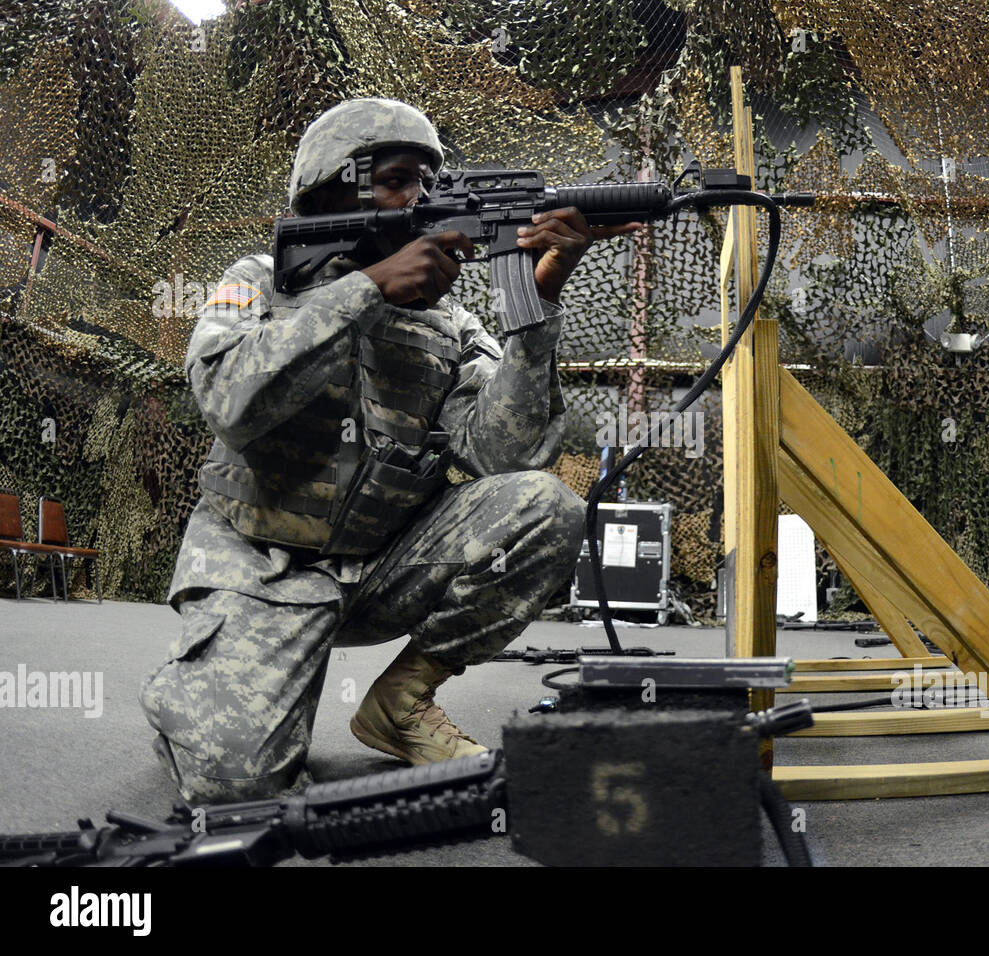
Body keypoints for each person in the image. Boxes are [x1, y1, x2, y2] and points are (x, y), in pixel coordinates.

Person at [139, 97, 641, 804]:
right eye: (398, 178)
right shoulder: (257, 279)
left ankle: (400, 703)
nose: (422, 198)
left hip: (383, 566)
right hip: (264, 568)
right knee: (236, 787)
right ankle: (196, 684)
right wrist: (367, 289)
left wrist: (537, 302)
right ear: (330, 188)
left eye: (430, 182)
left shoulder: (451, 321)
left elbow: (505, 456)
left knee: (546, 507)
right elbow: (228, 402)